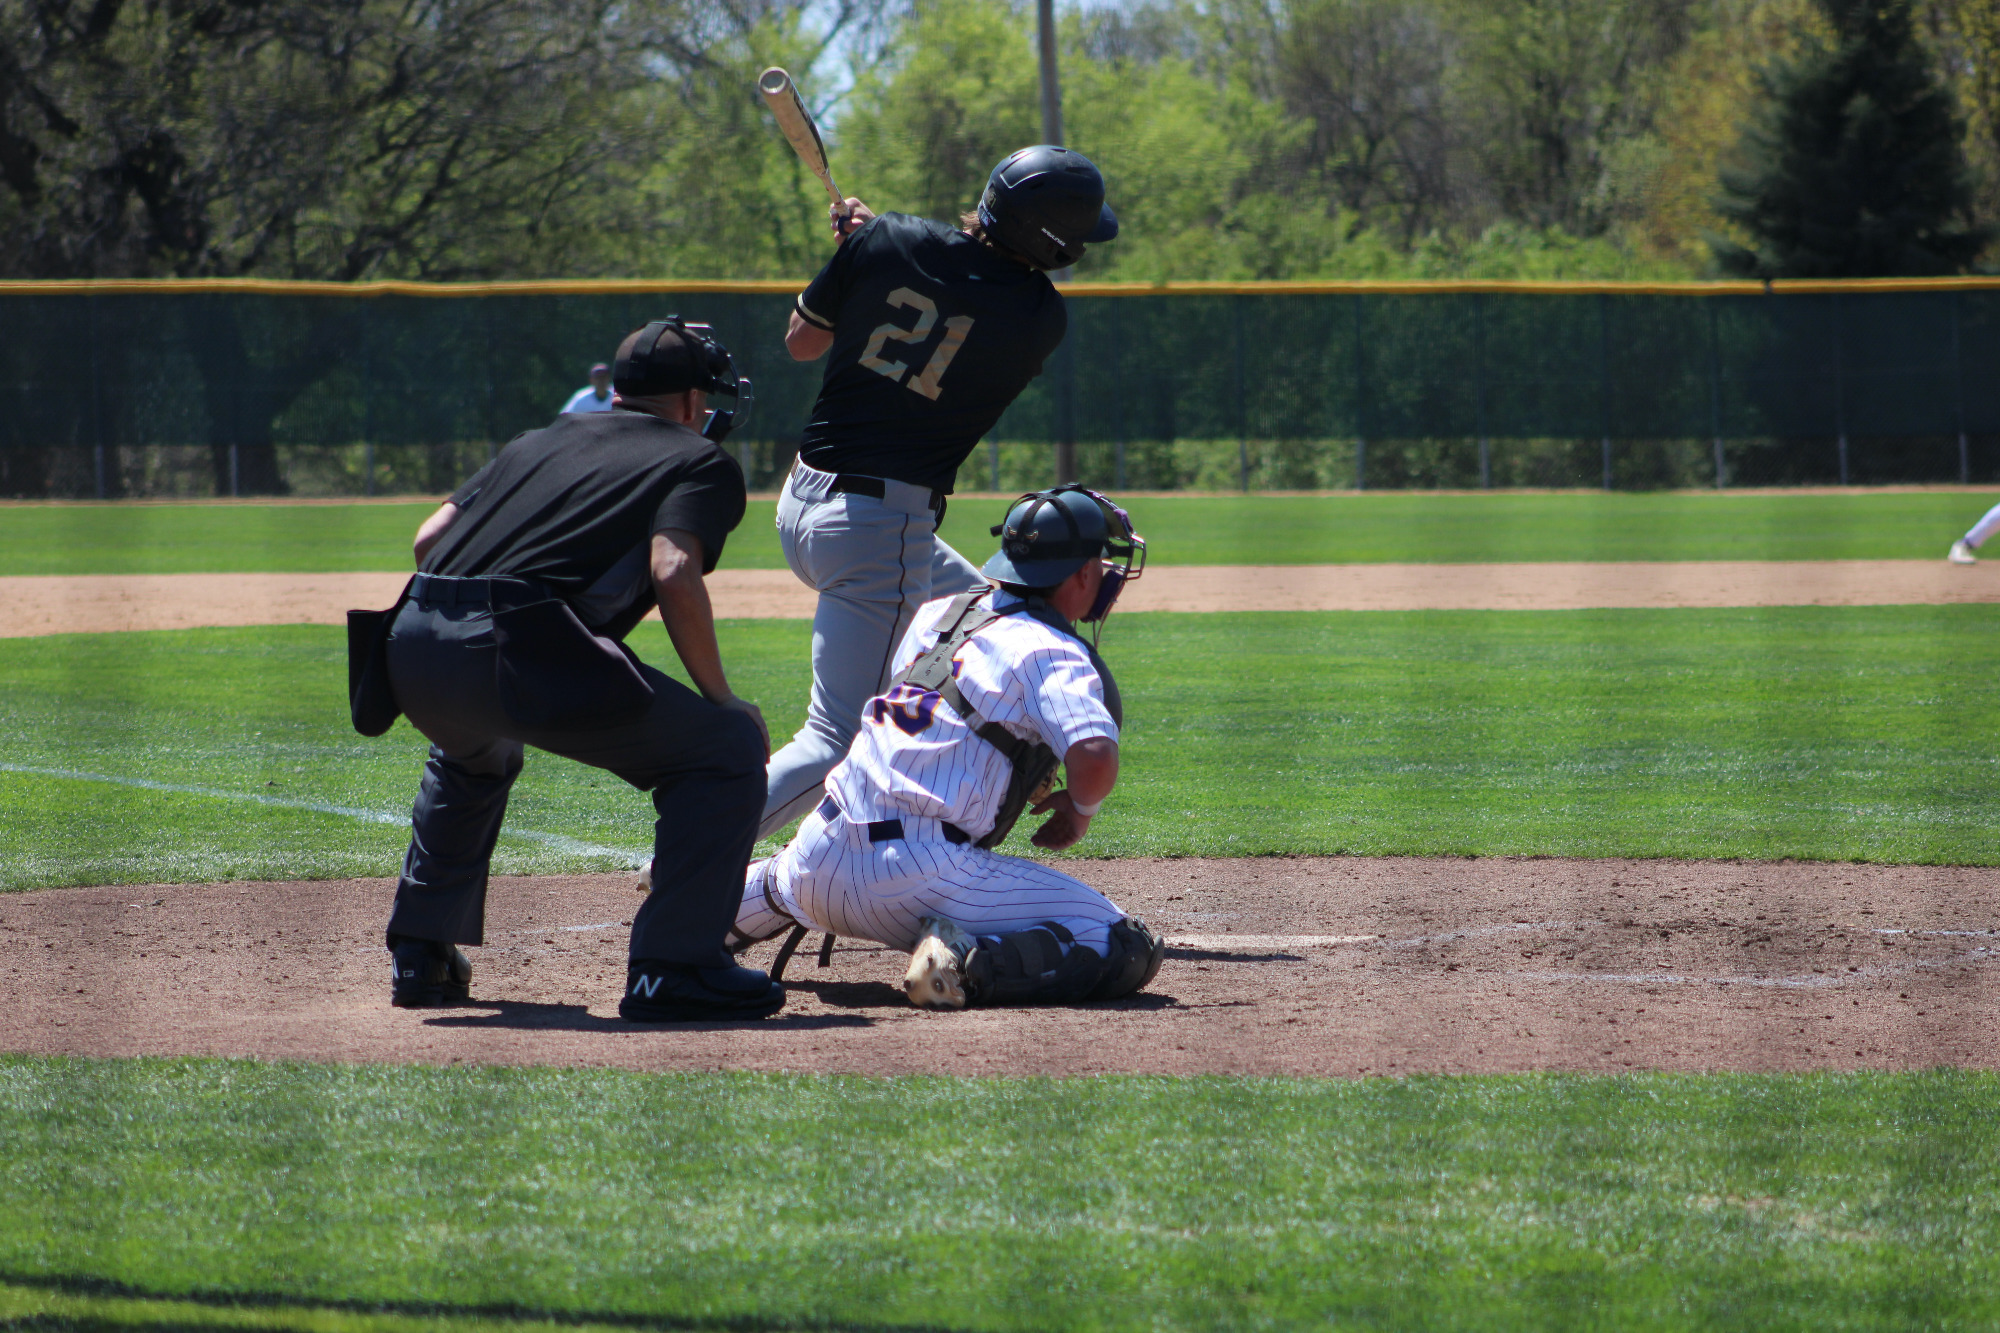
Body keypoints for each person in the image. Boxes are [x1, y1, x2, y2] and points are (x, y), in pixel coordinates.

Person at [361, 318, 784, 1022]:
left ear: (617, 392)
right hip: (513, 643)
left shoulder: (540, 437)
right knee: (727, 749)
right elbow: (674, 570)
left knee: (473, 751)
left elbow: (428, 539)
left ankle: (421, 952)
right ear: (688, 403)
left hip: (407, 640)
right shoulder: (697, 460)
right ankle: (673, 968)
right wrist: (724, 699)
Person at [760, 144, 1121, 839]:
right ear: (1051, 245)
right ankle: (691, 860)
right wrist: (873, 249)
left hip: (804, 506)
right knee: (832, 739)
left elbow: (803, 342)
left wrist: (864, 251)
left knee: (991, 614)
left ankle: (935, 800)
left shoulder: (889, 238)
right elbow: (961, 294)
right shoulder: (1039, 318)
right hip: (878, 527)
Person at [728, 485, 1166, 1009]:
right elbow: (1094, 754)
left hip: (816, 853)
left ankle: (699, 913)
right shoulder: (1053, 649)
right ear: (1084, 574)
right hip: (921, 876)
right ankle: (964, 960)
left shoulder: (938, 614)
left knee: (767, 891)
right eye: (1100, 561)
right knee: (1122, 942)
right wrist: (1080, 808)